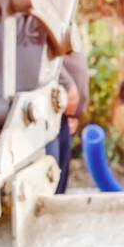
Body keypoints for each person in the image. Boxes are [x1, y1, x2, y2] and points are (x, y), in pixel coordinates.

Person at [48, 49, 89, 194]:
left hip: (67, 116)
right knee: (52, 177)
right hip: (52, 111)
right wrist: (67, 85)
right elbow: (49, 60)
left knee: (60, 177)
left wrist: (76, 114)